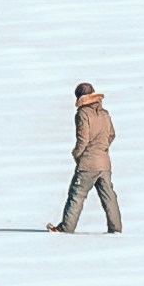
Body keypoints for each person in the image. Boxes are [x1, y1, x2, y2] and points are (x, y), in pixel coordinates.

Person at [50, 81, 120, 234]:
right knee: (109, 197)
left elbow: (83, 140)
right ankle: (116, 229)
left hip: (88, 163)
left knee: (77, 195)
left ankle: (66, 228)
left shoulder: (83, 114)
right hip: (104, 163)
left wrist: (77, 154)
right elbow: (111, 135)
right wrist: (102, 149)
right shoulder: (104, 113)